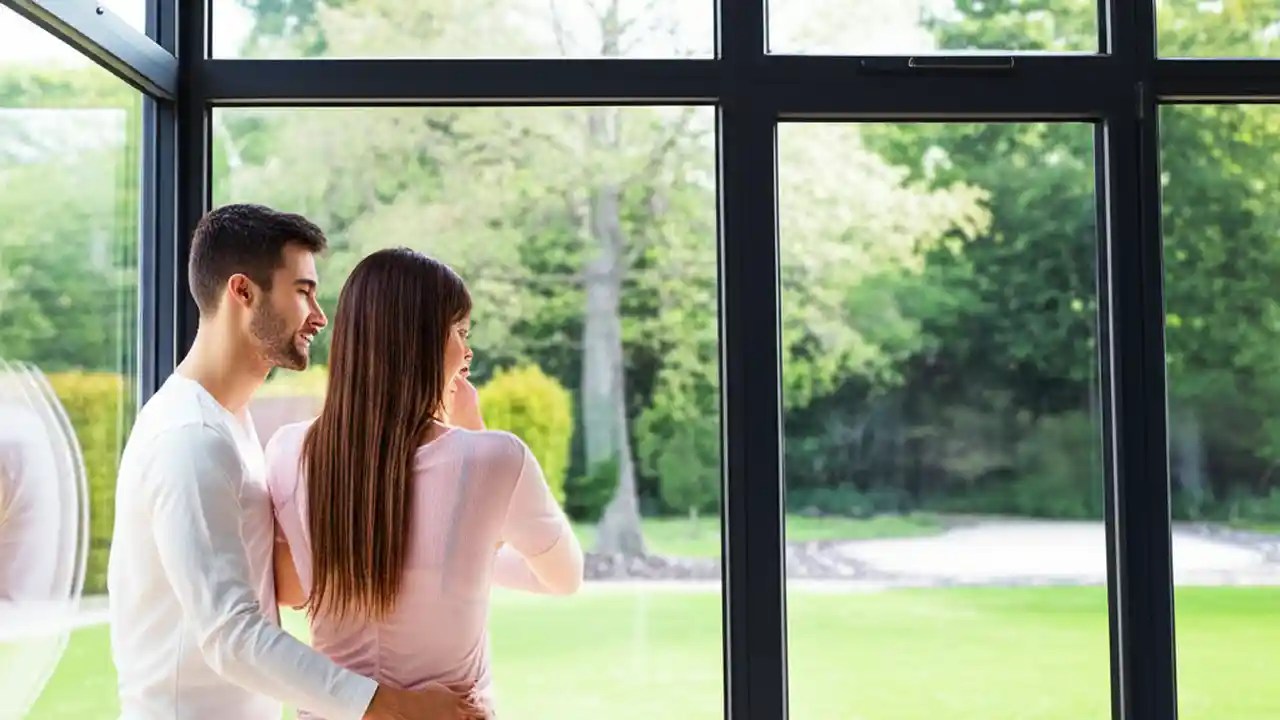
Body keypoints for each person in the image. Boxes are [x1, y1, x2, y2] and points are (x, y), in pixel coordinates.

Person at [108, 204, 483, 720]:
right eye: (303, 290)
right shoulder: (190, 438)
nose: (320, 315)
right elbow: (231, 635)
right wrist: (396, 707)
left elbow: (286, 583)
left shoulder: (230, 425)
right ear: (243, 292)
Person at [265, 248, 584, 719]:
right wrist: (475, 532)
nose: (467, 352)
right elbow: (564, 576)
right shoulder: (493, 459)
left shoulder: (287, 451)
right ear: (419, 343)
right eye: (459, 332)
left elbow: (292, 589)